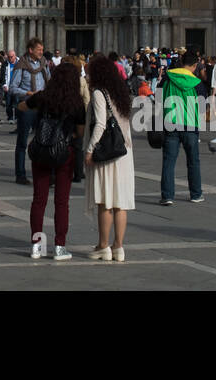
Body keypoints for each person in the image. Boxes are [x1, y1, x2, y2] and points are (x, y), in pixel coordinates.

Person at [21, 62, 85, 259]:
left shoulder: (43, 97)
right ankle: (59, 246)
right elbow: (80, 132)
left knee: (38, 201)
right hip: (64, 153)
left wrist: (34, 100)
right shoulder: (77, 103)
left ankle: (36, 245)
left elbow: (21, 106)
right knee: (61, 202)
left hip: (41, 150)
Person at [85, 52, 135, 261]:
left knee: (105, 201)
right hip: (123, 152)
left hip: (106, 152)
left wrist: (89, 150)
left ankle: (103, 246)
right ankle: (119, 247)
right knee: (120, 202)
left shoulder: (99, 93)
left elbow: (101, 124)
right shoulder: (121, 92)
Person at [159, 49, 203, 205]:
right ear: (195, 64)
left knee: (169, 161)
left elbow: (159, 98)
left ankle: (167, 196)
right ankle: (196, 194)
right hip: (190, 124)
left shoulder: (167, 78)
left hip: (170, 122)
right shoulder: (197, 83)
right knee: (193, 161)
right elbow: (203, 106)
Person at [12, 38, 49, 185]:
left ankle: (42, 173)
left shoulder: (43, 65)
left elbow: (49, 82)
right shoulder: (21, 65)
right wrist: (27, 93)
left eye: (42, 49)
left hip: (42, 107)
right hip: (27, 107)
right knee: (22, 142)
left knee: (43, 140)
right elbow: (13, 88)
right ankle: (20, 174)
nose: (41, 52)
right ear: (31, 50)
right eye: (39, 49)